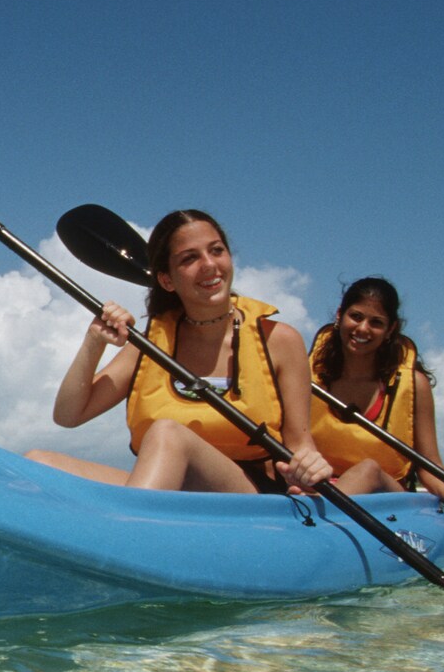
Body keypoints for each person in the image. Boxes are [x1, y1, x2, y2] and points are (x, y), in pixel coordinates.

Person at [26, 209, 332, 495]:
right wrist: (95, 342)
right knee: (39, 462)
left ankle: (126, 534)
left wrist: (309, 464)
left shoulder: (279, 340)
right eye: (190, 258)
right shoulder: (151, 345)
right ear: (166, 280)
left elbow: (300, 443)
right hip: (170, 493)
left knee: (169, 435)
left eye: (216, 250)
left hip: (250, 494)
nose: (210, 265)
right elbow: (68, 415)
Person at [309, 276, 444, 512]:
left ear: (390, 329)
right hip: (320, 488)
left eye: (376, 322)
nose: (363, 328)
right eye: (356, 316)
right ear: (339, 315)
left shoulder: (415, 385)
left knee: (368, 470)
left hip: (387, 497)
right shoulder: (307, 377)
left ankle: (317, 519)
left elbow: (429, 464)